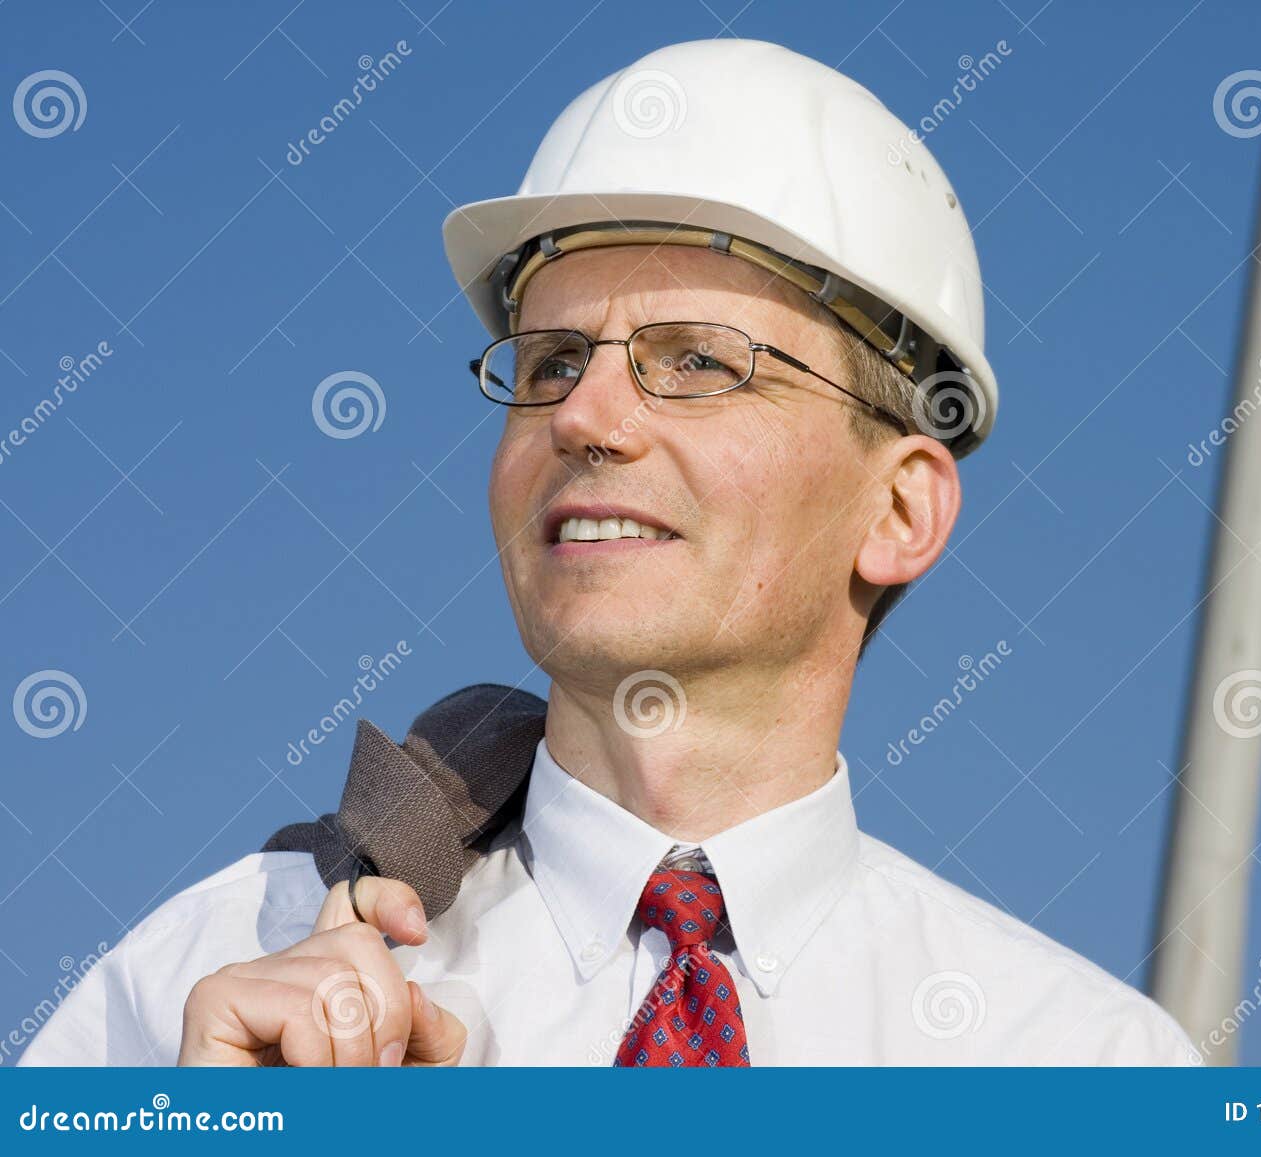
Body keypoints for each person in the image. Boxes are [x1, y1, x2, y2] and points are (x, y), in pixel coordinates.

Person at [20, 38, 1199, 1067]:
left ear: (899, 511)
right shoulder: (204, 983)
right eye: (548, 363)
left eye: (698, 361)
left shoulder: (1084, 1063)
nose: (582, 417)